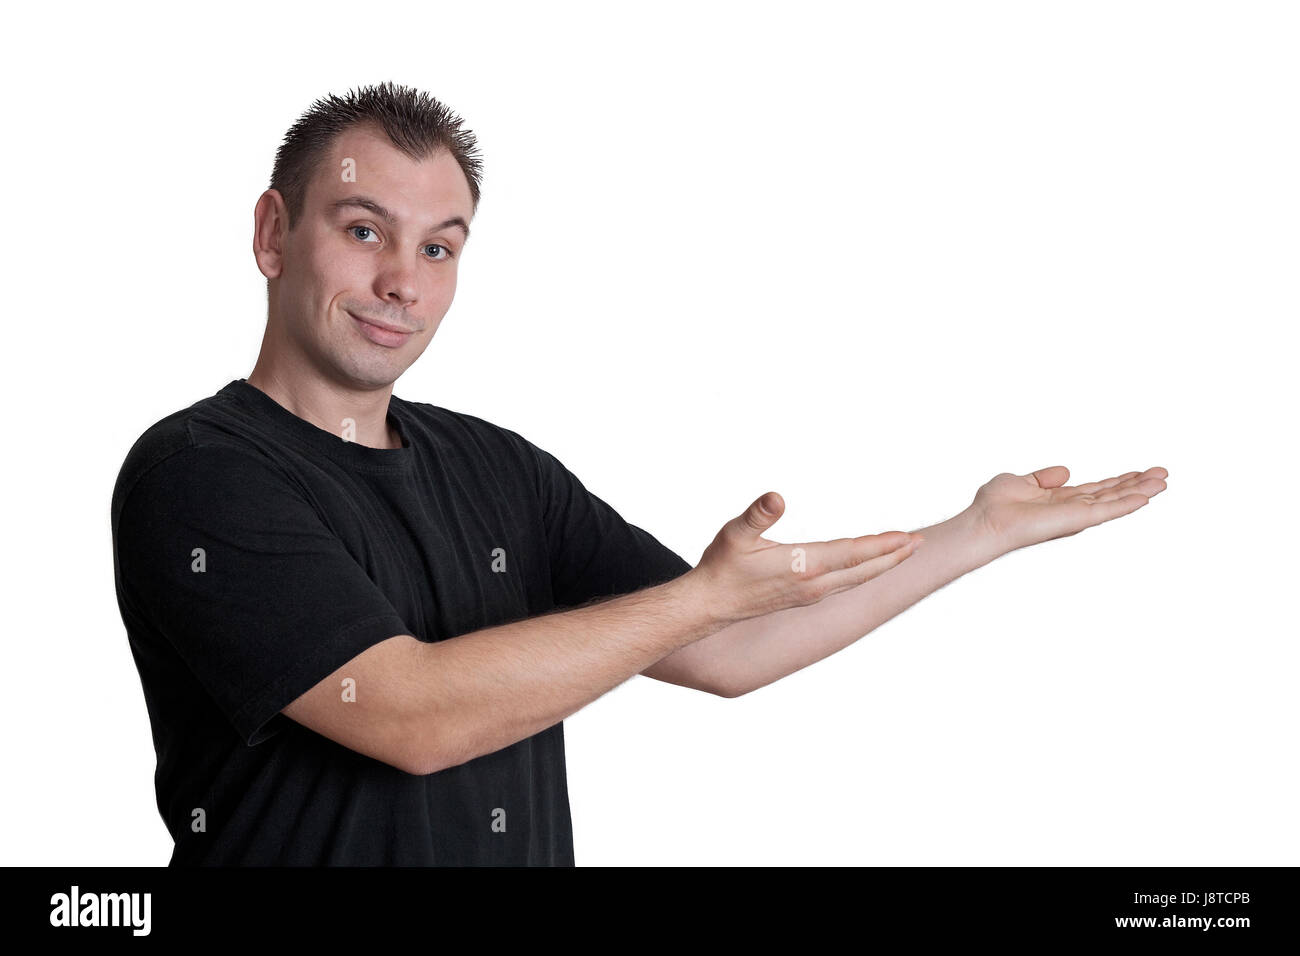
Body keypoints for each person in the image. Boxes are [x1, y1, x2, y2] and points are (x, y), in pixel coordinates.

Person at [109, 81, 1168, 866]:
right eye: (362, 229)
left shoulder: (497, 467)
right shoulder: (197, 476)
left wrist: (976, 531)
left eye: (440, 247)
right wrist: (694, 596)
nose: (401, 281)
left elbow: (728, 646)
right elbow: (407, 715)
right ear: (272, 233)